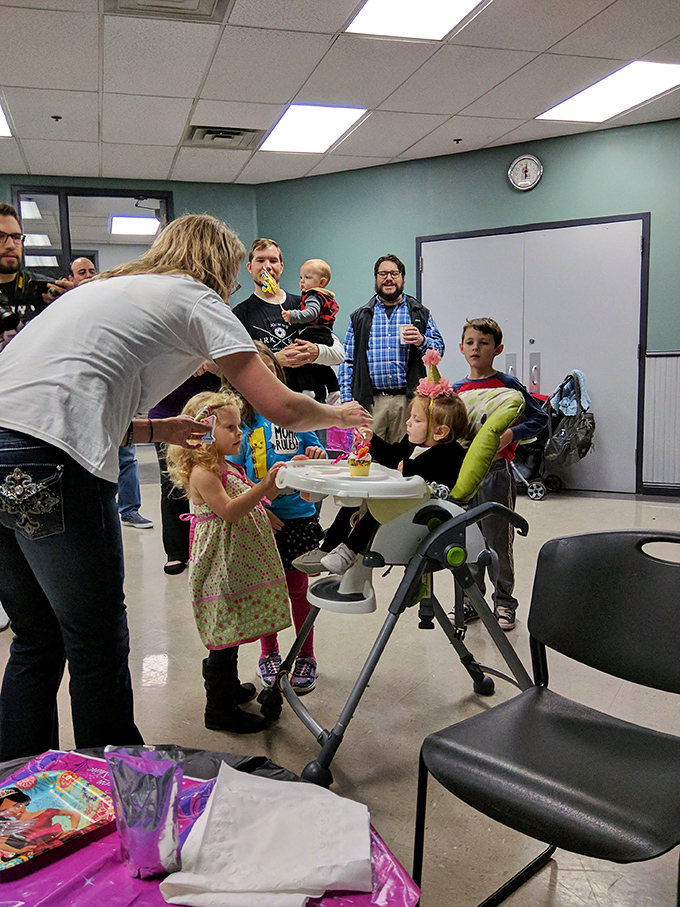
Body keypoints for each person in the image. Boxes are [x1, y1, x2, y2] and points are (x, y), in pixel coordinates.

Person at [0, 213, 371, 761]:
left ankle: (16, 789)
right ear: (219, 264)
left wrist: (159, 429)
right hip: (54, 464)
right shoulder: (195, 297)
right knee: (96, 639)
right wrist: (339, 411)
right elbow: (280, 406)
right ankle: (117, 785)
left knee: (36, 636)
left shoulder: (108, 289)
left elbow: (61, 398)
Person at [166, 390, 291, 734]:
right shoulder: (203, 472)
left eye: (240, 426)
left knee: (231, 628)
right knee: (223, 632)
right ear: (203, 432)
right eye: (232, 427)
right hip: (218, 564)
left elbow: (254, 496)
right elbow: (230, 510)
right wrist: (264, 485)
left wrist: (277, 483)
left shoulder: (228, 465)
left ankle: (229, 687)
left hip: (235, 561)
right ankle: (218, 708)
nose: (241, 433)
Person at [296, 350, 468, 575]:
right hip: (403, 497)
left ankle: (348, 550)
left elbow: (438, 472)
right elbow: (393, 457)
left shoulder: (450, 452)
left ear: (440, 432)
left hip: (421, 506)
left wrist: (411, 468)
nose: (408, 423)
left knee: (376, 506)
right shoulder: (413, 442)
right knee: (355, 501)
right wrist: (373, 440)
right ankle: (327, 548)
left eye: (415, 420)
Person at [232, 343, 326, 695]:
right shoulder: (241, 421)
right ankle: (269, 652)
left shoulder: (296, 414)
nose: (264, 377)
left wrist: (315, 455)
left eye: (270, 370)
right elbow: (234, 472)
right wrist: (259, 508)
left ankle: (306, 654)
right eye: (256, 371)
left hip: (299, 517)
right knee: (266, 592)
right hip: (259, 519)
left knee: (299, 590)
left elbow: (315, 452)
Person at [454, 317, 548, 631]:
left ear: (498, 349)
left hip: (496, 475)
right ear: (461, 347)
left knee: (497, 541)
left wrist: (512, 435)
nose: (476, 348)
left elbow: (539, 418)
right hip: (461, 475)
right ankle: (471, 601)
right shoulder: (456, 390)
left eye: (483, 343)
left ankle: (504, 602)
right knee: (468, 541)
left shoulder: (508, 385)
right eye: (470, 342)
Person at [69, 256, 154, 530]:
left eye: (92, 270)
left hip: (113, 393)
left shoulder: (108, 306)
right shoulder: (67, 310)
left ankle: (129, 511)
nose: (88, 275)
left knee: (126, 456)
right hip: (79, 397)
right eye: (81, 272)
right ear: (71, 279)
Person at [339, 254, 445, 443]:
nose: (389, 278)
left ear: (403, 278)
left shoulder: (418, 312)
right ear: (376, 278)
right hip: (370, 403)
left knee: (404, 459)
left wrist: (422, 341)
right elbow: (348, 361)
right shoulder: (360, 317)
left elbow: (438, 351)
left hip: (408, 402)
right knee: (367, 457)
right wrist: (348, 401)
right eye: (383, 274)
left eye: (394, 273)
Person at [233, 239, 345, 404]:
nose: (267, 267)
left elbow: (338, 354)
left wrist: (315, 352)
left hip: (313, 406)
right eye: (260, 260)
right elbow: (239, 367)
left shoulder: (305, 305)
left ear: (281, 267)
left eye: (273, 260)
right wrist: (276, 359)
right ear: (249, 267)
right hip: (268, 406)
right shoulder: (240, 314)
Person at [149, 368, 221, 574]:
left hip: (211, 413)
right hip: (167, 412)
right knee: (173, 483)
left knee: (217, 478)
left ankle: (217, 546)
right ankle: (176, 551)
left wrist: (211, 362)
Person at [280, 258, 340, 403]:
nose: (302, 281)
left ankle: (307, 390)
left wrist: (292, 315)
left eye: (307, 277)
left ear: (322, 282)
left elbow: (311, 313)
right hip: (325, 333)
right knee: (320, 365)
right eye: (301, 277)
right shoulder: (325, 296)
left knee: (303, 360)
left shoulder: (313, 295)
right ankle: (333, 389)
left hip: (313, 333)